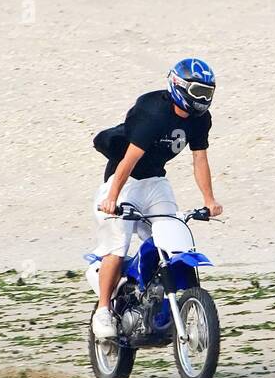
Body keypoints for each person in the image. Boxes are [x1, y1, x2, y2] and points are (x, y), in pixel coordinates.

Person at [89, 58, 222, 339]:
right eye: (198, 92)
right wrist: (111, 198)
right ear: (179, 86)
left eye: (207, 93)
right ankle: (103, 310)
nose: (202, 100)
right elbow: (129, 159)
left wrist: (209, 200)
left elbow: (200, 159)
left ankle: (155, 294)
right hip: (124, 181)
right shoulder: (153, 111)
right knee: (118, 244)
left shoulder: (200, 120)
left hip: (156, 183)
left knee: (172, 238)